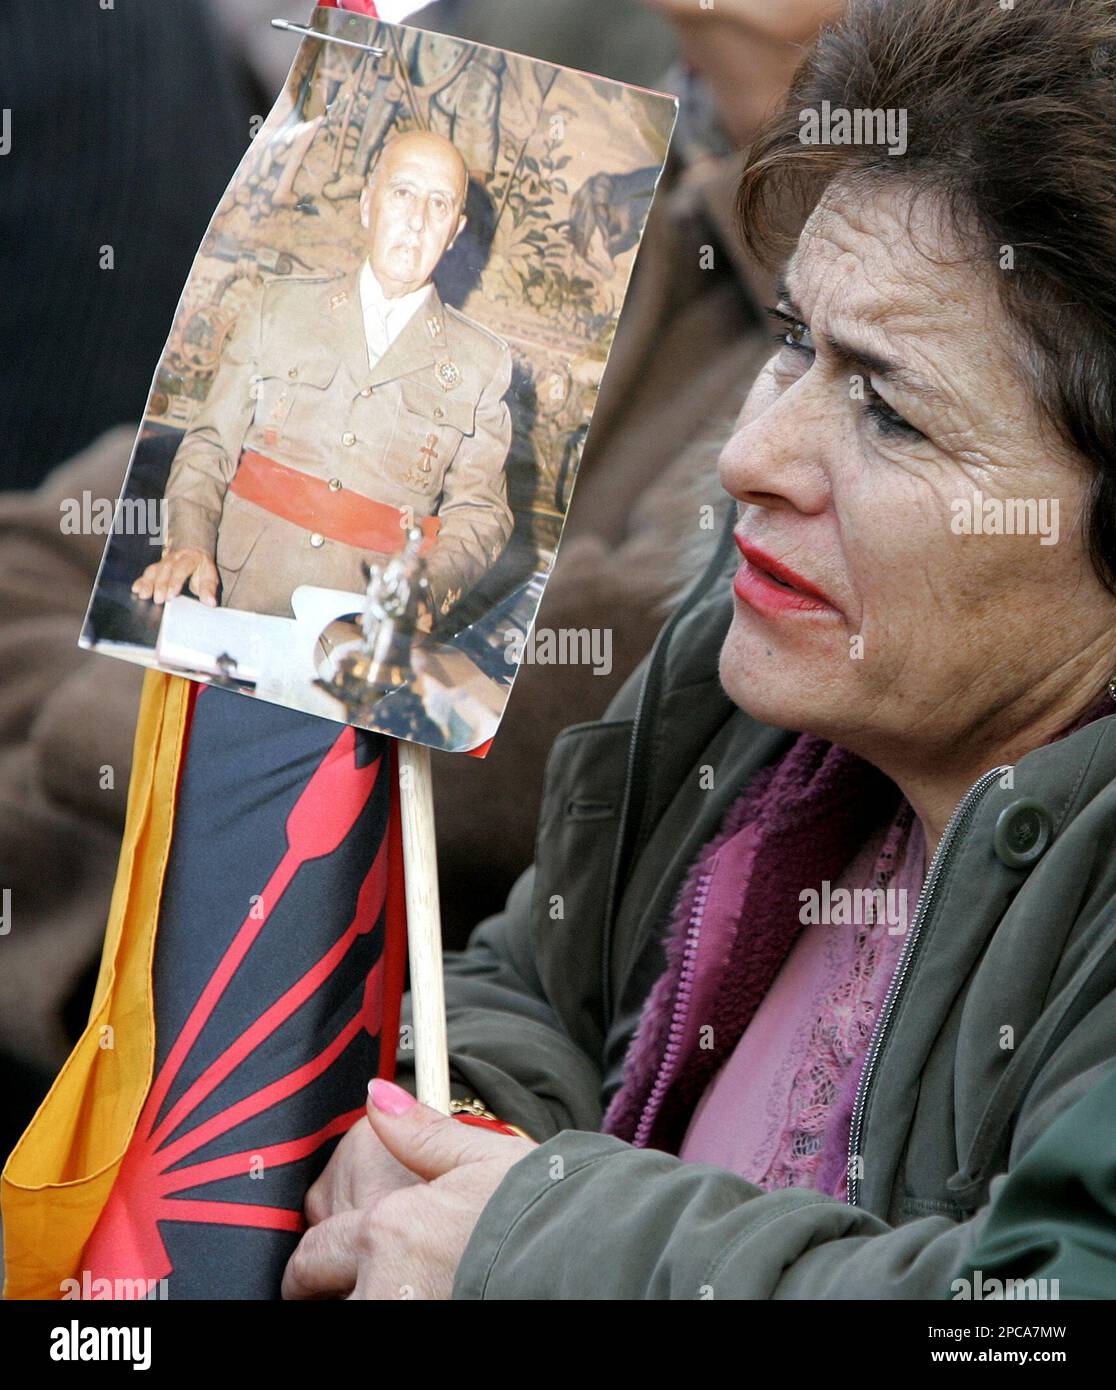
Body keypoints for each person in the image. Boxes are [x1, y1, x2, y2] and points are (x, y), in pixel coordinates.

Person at [281, 0, 1116, 1299]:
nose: (748, 459)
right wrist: (460, 1133)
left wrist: (531, 1243)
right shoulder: (743, 694)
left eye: (891, 412)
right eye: (792, 343)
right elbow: (528, 977)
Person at [133, 129, 514, 621]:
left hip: (363, 624)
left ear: (455, 232)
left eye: (438, 204)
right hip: (234, 594)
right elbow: (210, 446)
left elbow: (480, 513)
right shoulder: (279, 306)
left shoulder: (480, 364)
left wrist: (424, 591)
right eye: (402, 194)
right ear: (366, 204)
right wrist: (188, 544)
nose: (417, 222)